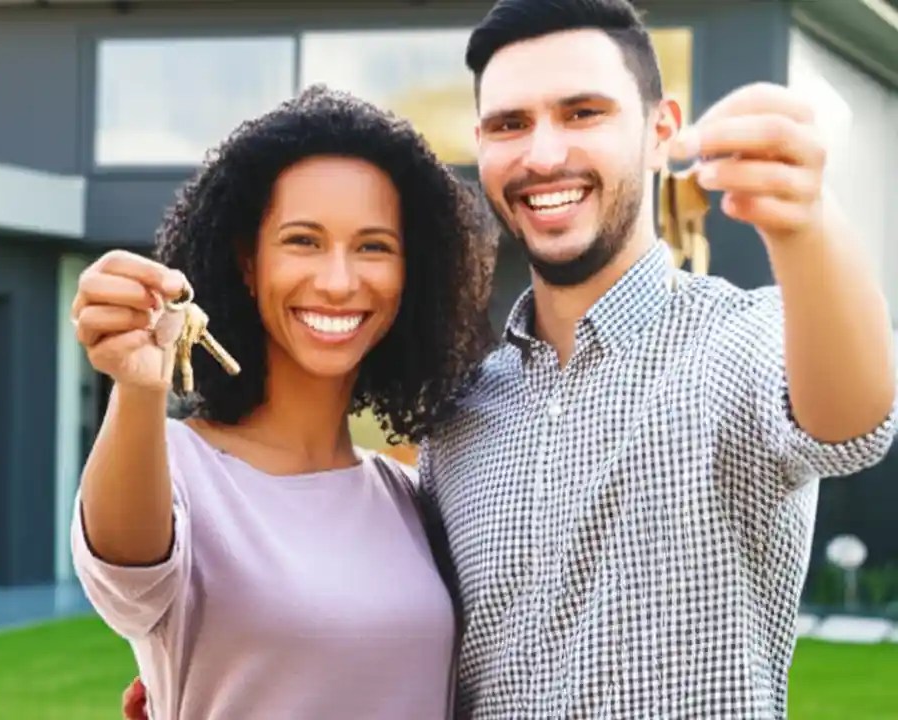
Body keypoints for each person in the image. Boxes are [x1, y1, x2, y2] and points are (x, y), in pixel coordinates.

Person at [122, 1, 898, 718]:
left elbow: (854, 423)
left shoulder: (745, 341)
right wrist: (215, 667)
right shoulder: (455, 416)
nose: (545, 153)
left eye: (583, 112)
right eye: (510, 124)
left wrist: (808, 227)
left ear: (661, 129)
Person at [69, 84, 498, 720]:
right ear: (247, 262)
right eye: (303, 240)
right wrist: (137, 385)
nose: (337, 281)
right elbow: (125, 574)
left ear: (413, 274)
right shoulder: (180, 468)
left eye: (374, 246)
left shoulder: (409, 494)